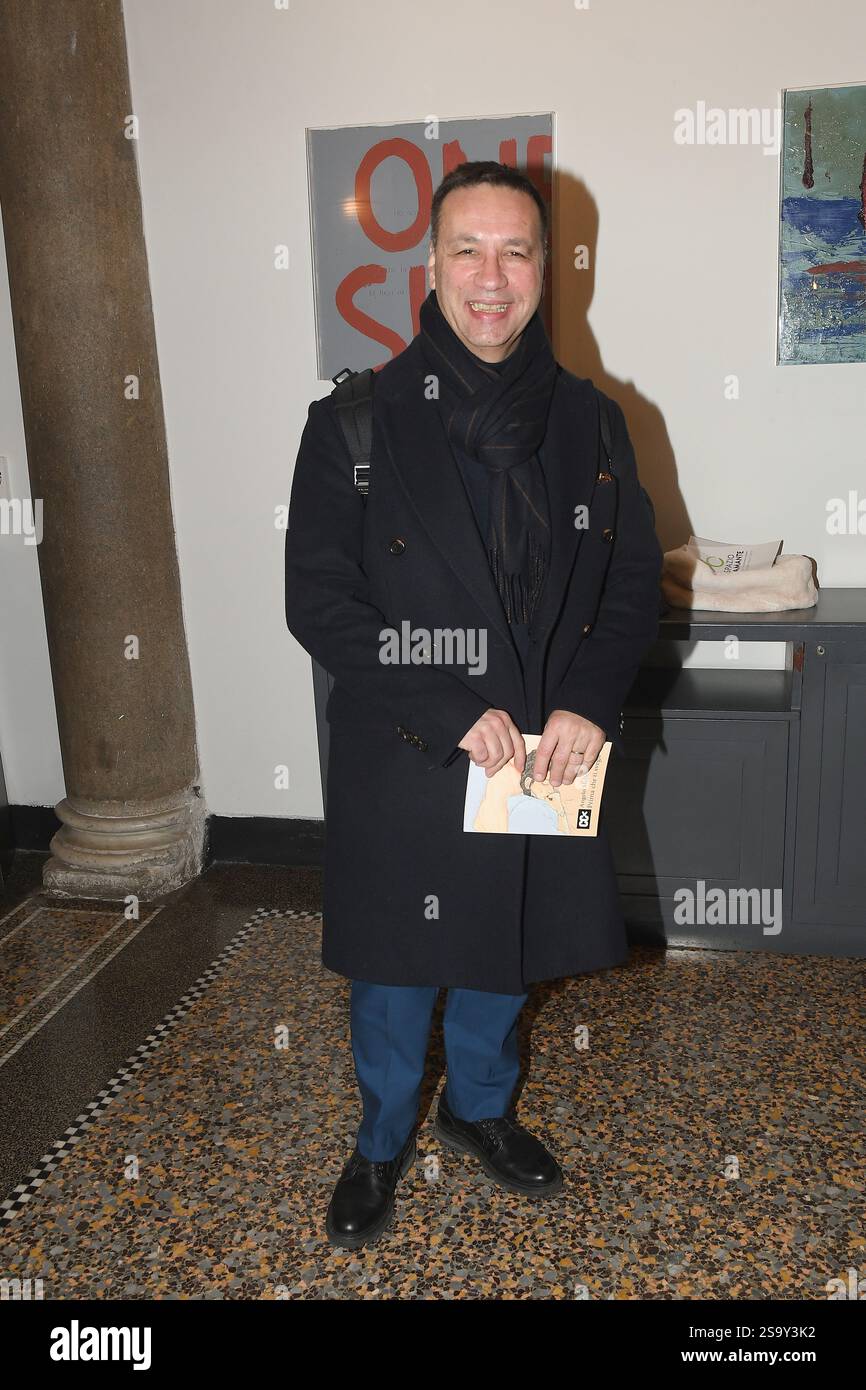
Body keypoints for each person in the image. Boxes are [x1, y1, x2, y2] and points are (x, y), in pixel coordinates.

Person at [285, 160, 663, 1249]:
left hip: (542, 747)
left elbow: (631, 580)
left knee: (507, 946)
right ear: (430, 262)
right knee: (400, 965)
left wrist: (588, 700)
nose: (490, 278)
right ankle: (379, 1135)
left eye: (515, 251)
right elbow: (321, 603)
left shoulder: (592, 422)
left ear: (546, 269)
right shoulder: (353, 423)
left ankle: (479, 1112)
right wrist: (450, 705)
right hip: (412, 745)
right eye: (467, 250)